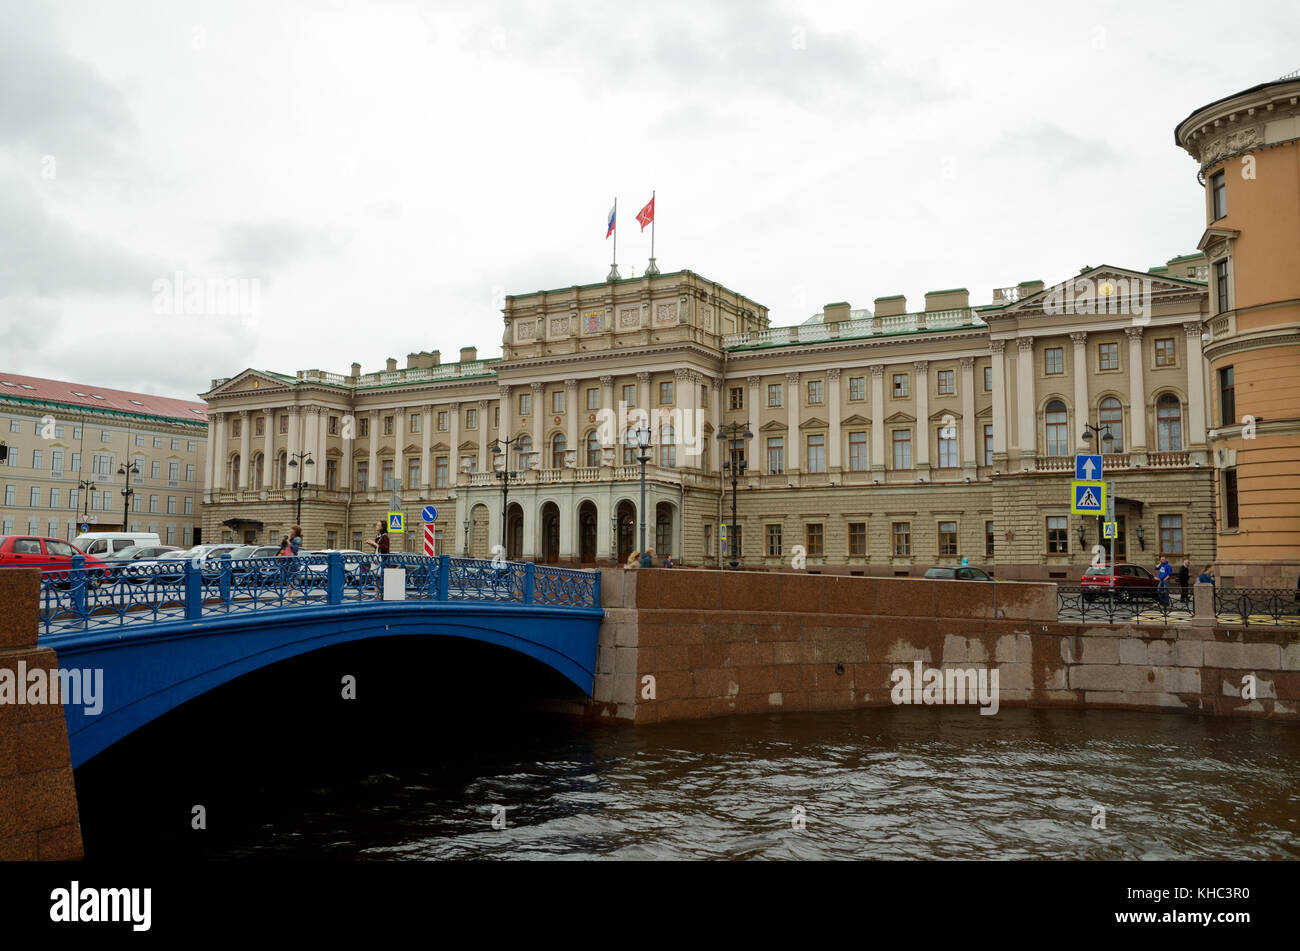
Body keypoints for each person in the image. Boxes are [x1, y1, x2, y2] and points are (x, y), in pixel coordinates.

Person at [364, 520, 389, 597]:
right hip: (377, 558)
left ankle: (381, 595)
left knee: (381, 576)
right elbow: (378, 547)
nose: (376, 526)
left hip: (383, 559)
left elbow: (385, 548)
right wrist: (372, 544)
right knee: (375, 576)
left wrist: (374, 543)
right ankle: (376, 595)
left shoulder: (385, 537)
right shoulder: (379, 536)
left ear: (382, 527)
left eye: (378, 525)